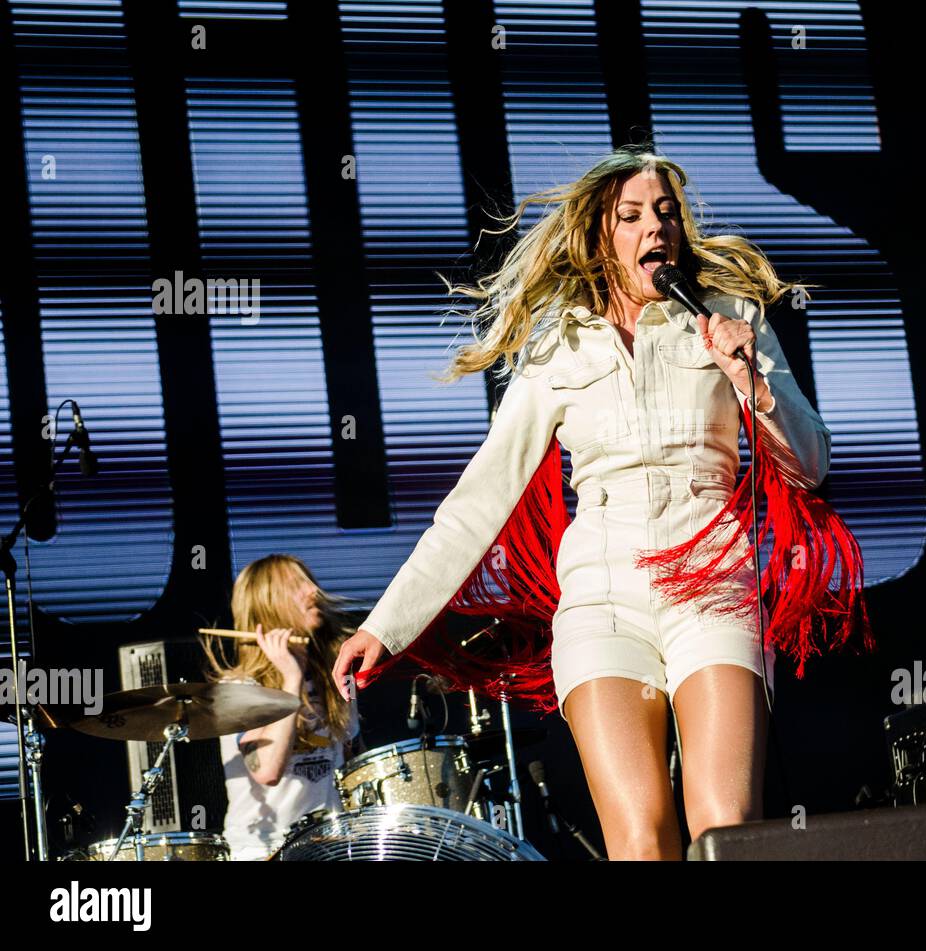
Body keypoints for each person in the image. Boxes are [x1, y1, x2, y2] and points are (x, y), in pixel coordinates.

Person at [333, 145, 869, 860]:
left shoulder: (728, 318)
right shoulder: (558, 347)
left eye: (667, 213)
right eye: (634, 215)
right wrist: (387, 624)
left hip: (711, 577)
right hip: (601, 596)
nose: (657, 227)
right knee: (641, 838)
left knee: (725, 825)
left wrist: (754, 384)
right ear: (600, 236)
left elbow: (809, 466)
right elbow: (477, 502)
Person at [205, 554, 361, 860]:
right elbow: (267, 771)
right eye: (296, 586)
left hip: (328, 845)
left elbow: (349, 764)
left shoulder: (333, 679)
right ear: (268, 604)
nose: (312, 591)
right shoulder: (240, 690)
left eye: (310, 582)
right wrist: (291, 679)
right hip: (264, 849)